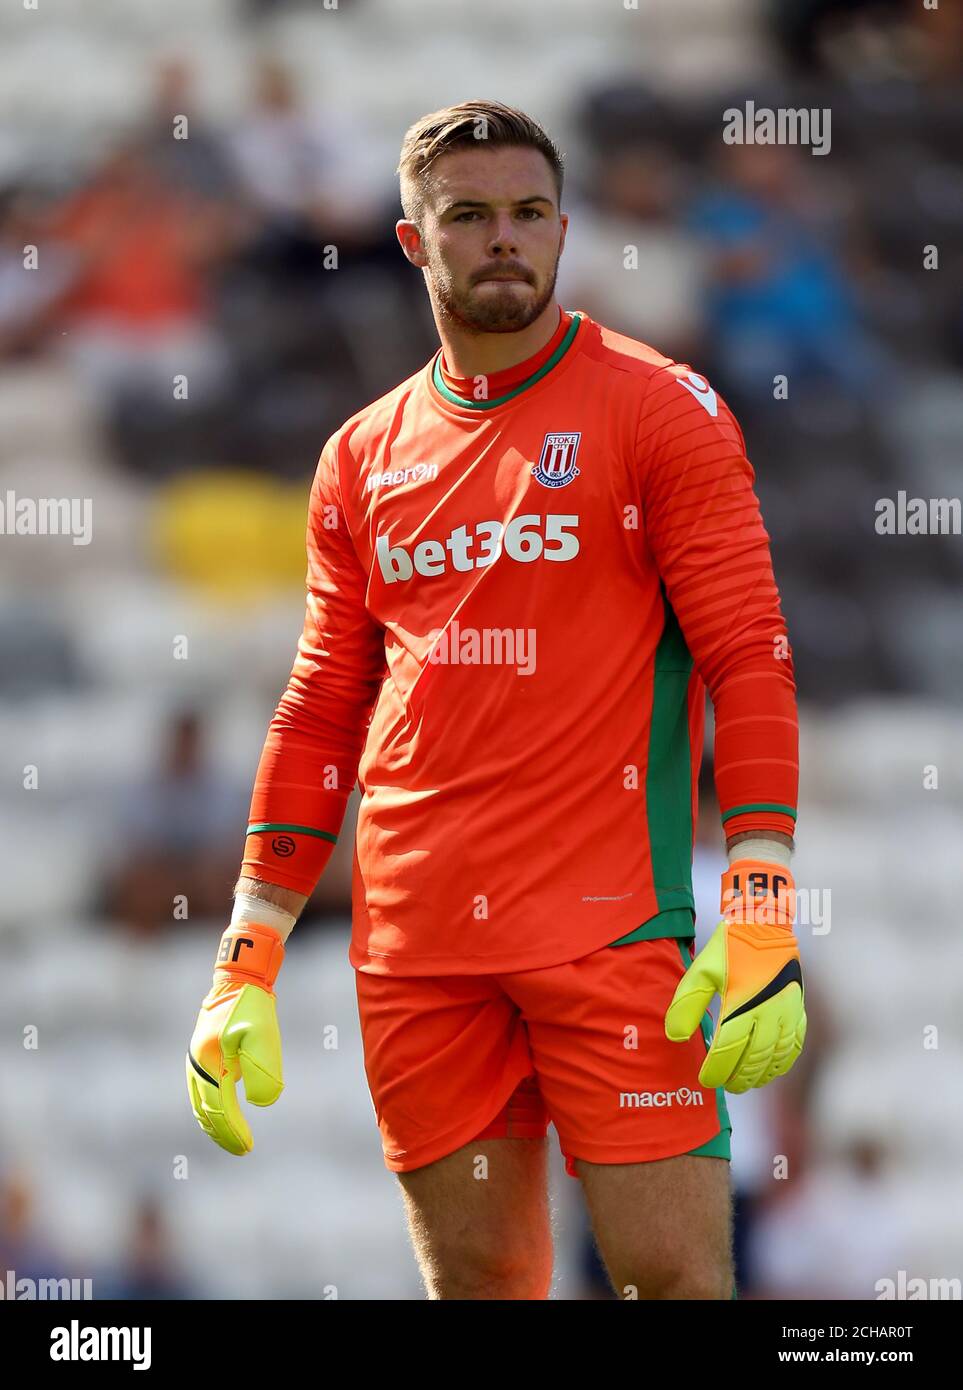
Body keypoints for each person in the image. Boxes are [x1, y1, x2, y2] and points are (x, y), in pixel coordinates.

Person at [186, 100, 806, 1301]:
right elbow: (321, 707)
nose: (504, 239)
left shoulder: (659, 410)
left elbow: (752, 657)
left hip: (612, 930)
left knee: (672, 1280)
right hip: (418, 950)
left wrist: (765, 894)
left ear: (564, 229)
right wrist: (248, 952)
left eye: (528, 214)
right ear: (415, 245)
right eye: (469, 217)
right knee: (482, 1290)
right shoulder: (361, 458)